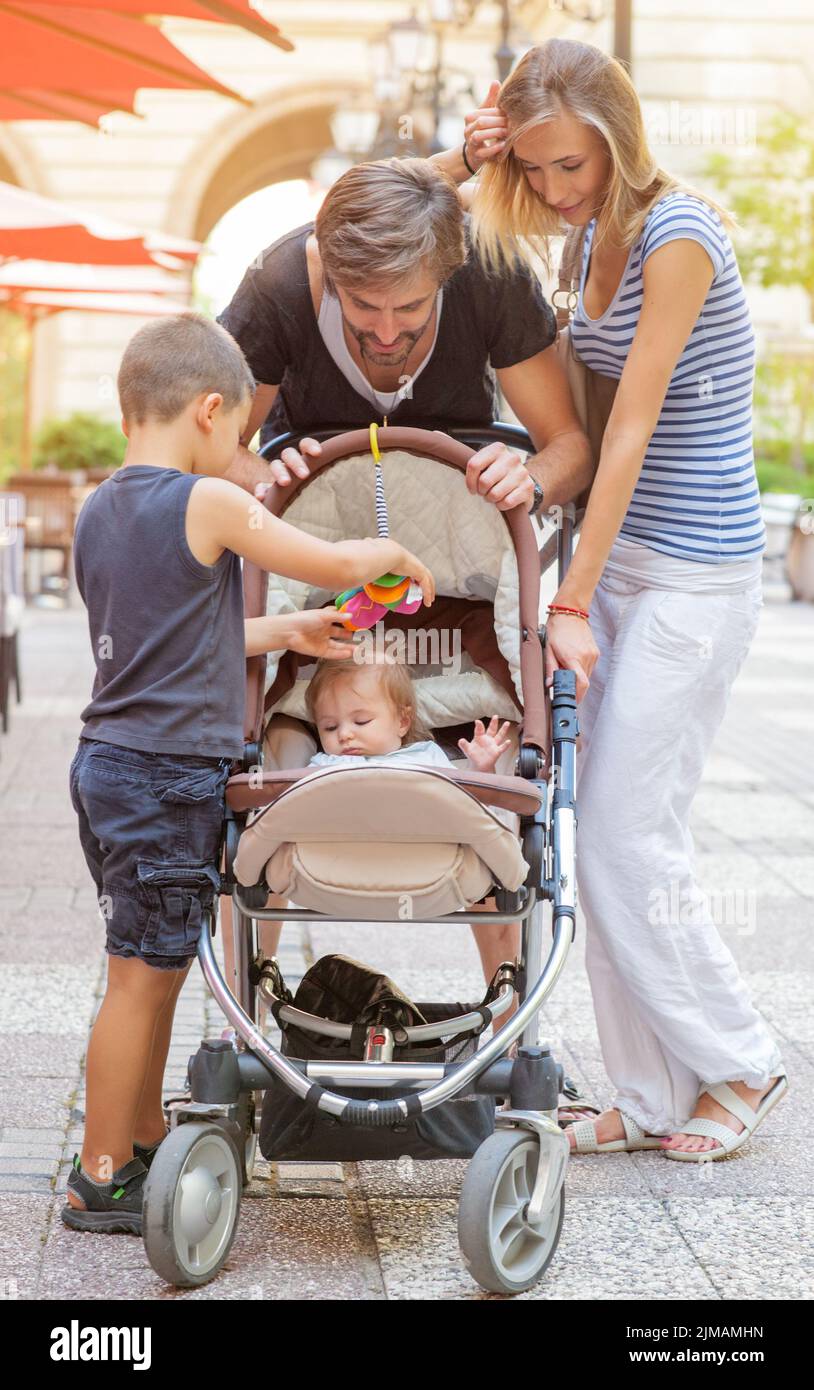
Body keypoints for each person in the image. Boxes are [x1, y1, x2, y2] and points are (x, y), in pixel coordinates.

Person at [448, 39, 788, 1161]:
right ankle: (646, 1093)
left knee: (627, 839)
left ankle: (736, 1055)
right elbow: (405, 226)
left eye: (571, 166)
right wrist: (465, 158)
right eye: (535, 170)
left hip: (693, 574)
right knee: (602, 835)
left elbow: (628, 430)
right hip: (627, 558)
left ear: (616, 137)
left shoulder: (677, 235)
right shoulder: (581, 235)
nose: (552, 190)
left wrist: (572, 597)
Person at [65, 311, 433, 1233]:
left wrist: (293, 634)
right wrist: (387, 555)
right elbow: (331, 560)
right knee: (138, 981)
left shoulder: (101, 507)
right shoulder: (209, 503)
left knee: (152, 965)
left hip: (109, 765)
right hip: (166, 778)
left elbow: (173, 644)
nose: (235, 453)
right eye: (235, 435)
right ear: (209, 410)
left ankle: (141, 1135)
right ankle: (99, 1173)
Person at [216, 154, 590, 991]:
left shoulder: (490, 273)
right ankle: (252, 983)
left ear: (448, 277)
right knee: (260, 754)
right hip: (319, 590)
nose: (386, 335)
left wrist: (527, 478)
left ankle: (503, 1002)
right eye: (362, 312)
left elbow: (570, 445)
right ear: (328, 273)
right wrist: (263, 473)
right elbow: (211, 450)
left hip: (456, 583)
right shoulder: (280, 284)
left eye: (411, 311)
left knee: (502, 798)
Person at [305, 656, 513, 773]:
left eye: (361, 721)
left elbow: (470, 804)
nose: (344, 735)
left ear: (402, 721)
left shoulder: (425, 756)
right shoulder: (322, 765)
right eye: (330, 727)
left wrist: (481, 767)